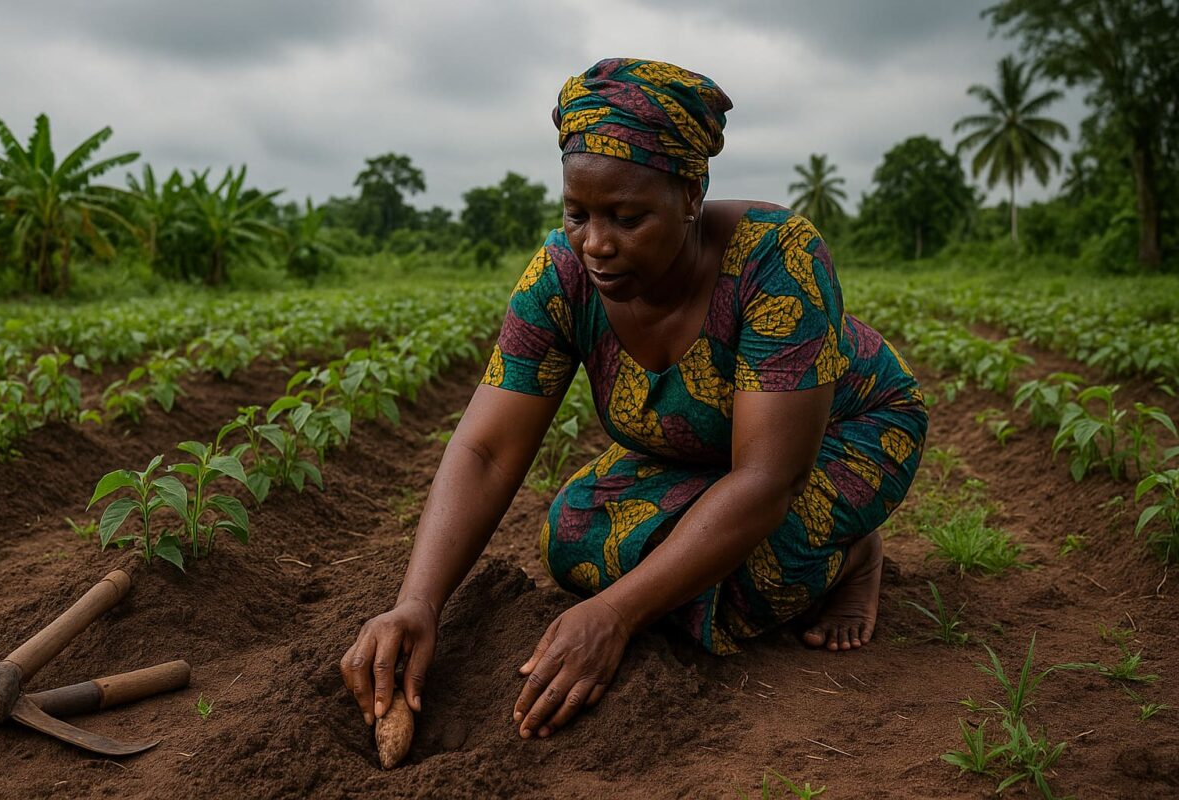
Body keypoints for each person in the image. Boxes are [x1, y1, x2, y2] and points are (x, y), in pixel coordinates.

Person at [341, 57, 927, 743]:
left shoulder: (775, 259)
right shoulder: (562, 276)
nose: (596, 243)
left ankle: (856, 555)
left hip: (844, 433)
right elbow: (486, 448)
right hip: (702, 448)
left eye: (626, 217)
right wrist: (419, 604)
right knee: (569, 541)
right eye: (577, 213)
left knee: (755, 580)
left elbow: (770, 477)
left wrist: (616, 616)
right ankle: (713, 541)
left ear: (689, 195)